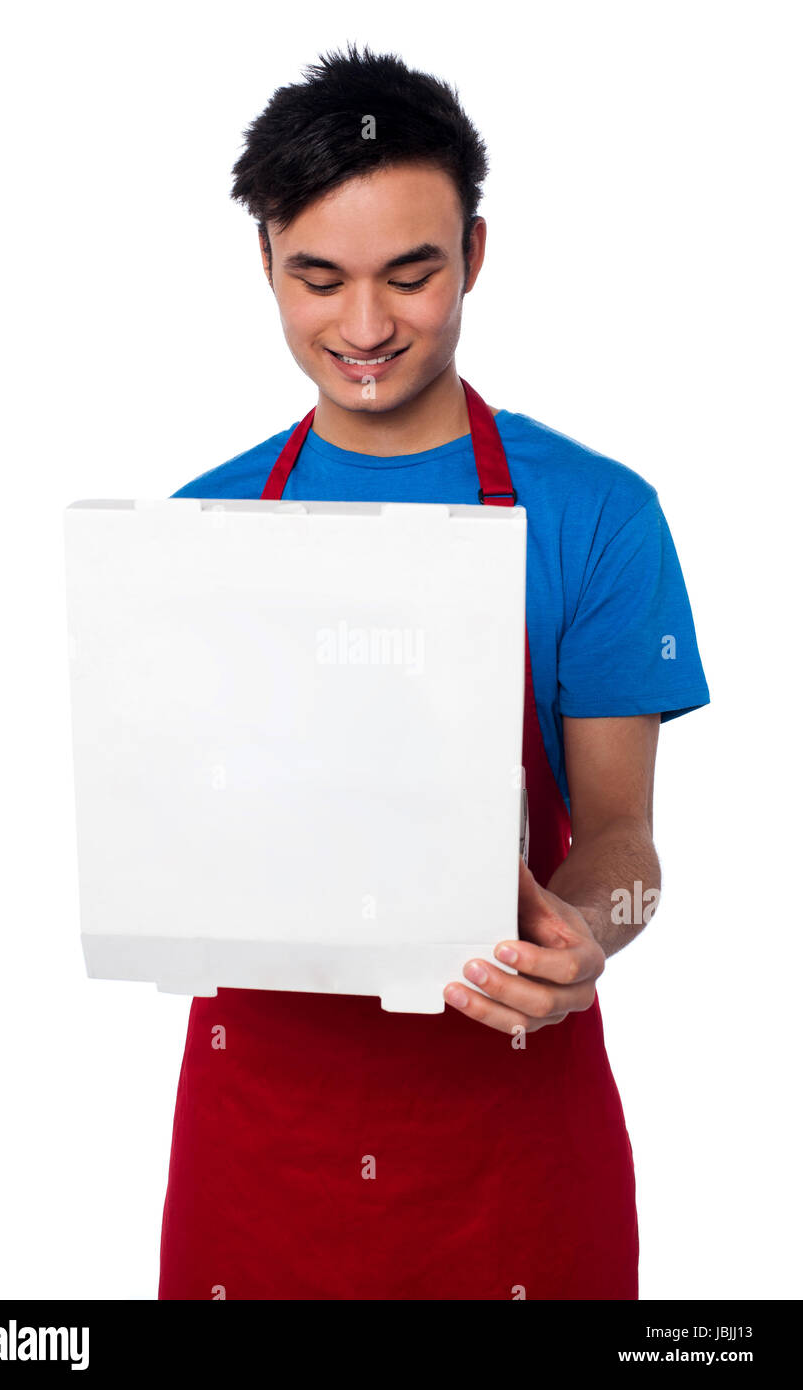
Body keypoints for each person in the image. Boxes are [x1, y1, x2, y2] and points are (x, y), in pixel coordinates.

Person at [158, 43, 710, 1301]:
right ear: (265, 265)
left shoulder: (597, 516)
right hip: (265, 1133)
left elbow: (623, 842)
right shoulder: (200, 524)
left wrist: (588, 935)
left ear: (474, 251)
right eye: (319, 278)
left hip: (507, 1139)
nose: (364, 328)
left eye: (411, 274)